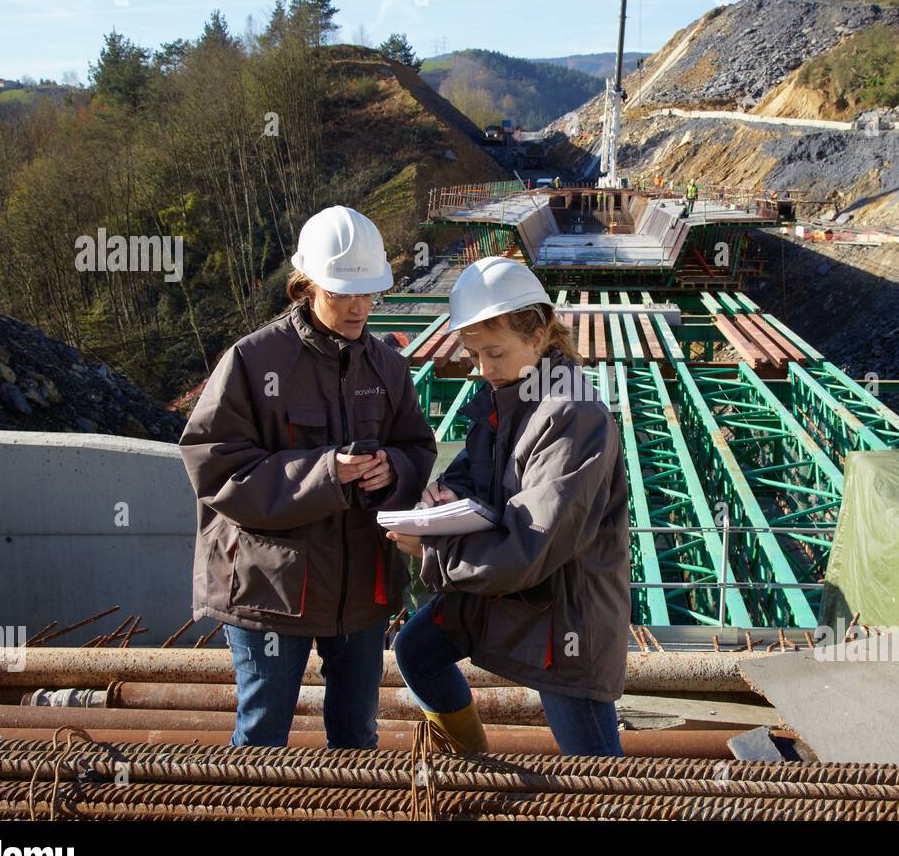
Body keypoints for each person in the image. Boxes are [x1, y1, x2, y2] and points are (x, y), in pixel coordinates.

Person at [179, 205, 436, 748]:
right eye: (344, 293)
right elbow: (215, 463)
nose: (358, 308)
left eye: (368, 295)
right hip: (272, 591)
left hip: (361, 589)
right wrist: (326, 474)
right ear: (308, 284)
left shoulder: (387, 366)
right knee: (263, 732)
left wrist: (396, 469)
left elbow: (417, 446)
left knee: (356, 733)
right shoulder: (253, 361)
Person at [388, 256, 630, 756]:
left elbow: (532, 544)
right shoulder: (510, 396)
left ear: (538, 337)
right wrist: (444, 496)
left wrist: (436, 554)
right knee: (416, 649)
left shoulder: (572, 416)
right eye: (474, 354)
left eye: (494, 353)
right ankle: (470, 765)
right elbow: (475, 471)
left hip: (564, 619)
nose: (482, 369)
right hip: (508, 598)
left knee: (597, 775)